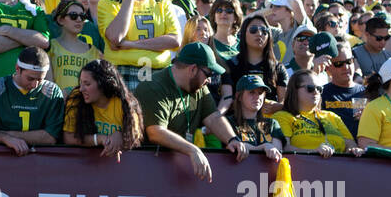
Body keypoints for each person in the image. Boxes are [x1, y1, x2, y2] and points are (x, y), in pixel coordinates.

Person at [135, 42, 226, 181]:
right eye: (208, 73)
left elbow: (213, 117)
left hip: (177, 167)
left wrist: (232, 140)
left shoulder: (199, 87)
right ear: (193, 69)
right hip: (147, 166)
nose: (209, 80)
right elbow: (155, 132)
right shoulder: (153, 87)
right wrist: (192, 149)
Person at [97, 0, 180, 91]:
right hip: (123, 71)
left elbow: (175, 41)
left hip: (159, 71)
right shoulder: (108, 2)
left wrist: (130, 44)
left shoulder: (163, 3)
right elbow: (115, 38)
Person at [0, 47, 65, 156]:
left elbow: (50, 137)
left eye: (40, 80)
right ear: (17, 68)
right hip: (1, 158)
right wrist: (5, 139)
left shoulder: (52, 93)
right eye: (30, 79)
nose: (35, 85)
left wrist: (7, 136)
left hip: (39, 161)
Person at [61, 59, 144, 156]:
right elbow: (68, 138)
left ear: (104, 84)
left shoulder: (125, 103)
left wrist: (121, 136)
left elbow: (135, 138)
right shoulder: (76, 98)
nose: (81, 89)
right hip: (85, 161)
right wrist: (99, 139)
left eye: (87, 84)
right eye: (81, 83)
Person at [273, 70, 355, 156]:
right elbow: (284, 148)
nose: (316, 92)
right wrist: (313, 152)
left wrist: (353, 150)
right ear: (295, 91)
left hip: (338, 166)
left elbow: (351, 144)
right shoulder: (282, 117)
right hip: (304, 166)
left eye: (319, 89)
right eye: (310, 88)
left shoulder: (332, 116)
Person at [220, 14, 288, 107]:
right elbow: (227, 99)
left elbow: (284, 102)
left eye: (264, 31)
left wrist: (277, 107)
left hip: (270, 118)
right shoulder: (231, 65)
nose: (259, 33)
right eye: (253, 30)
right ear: (243, 34)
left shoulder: (278, 67)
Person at [48, 0, 97, 93]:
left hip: (83, 105)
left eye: (82, 16)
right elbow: (48, 83)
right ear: (60, 20)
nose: (79, 19)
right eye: (73, 15)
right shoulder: (51, 46)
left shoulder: (94, 51)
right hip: (59, 103)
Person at [320, 41, 367, 137]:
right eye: (338, 64)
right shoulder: (320, 93)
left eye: (349, 61)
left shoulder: (366, 92)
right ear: (328, 67)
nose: (346, 67)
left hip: (360, 149)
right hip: (333, 149)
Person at [208, 0, 241, 66]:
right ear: (214, 17)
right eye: (219, 10)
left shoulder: (243, 44)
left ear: (236, 18)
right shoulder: (208, 43)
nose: (223, 13)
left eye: (229, 11)